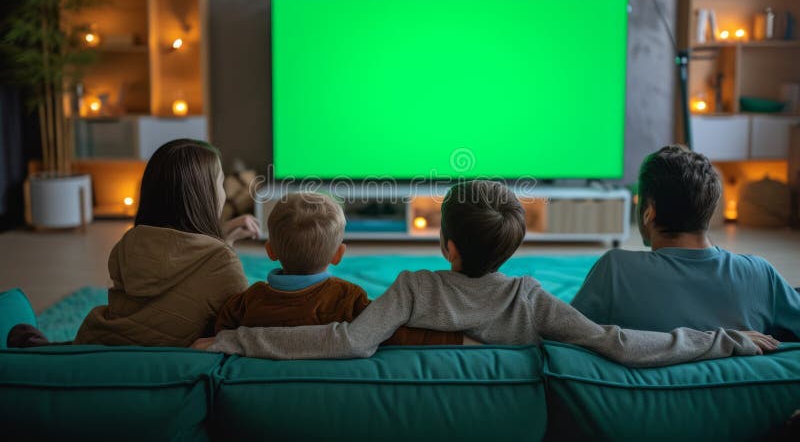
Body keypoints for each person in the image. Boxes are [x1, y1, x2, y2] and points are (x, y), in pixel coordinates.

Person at [194, 180, 778, 367]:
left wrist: (234, 339)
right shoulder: (531, 299)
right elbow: (618, 343)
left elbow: (347, 341)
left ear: (447, 246)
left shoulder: (411, 288)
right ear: (513, 246)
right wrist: (726, 340)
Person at [8, 139, 258, 348]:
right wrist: (223, 247)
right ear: (204, 197)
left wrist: (221, 240)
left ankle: (41, 352)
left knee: (26, 335)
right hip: (142, 366)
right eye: (221, 183)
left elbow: (180, 266)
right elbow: (242, 322)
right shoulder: (222, 262)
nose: (224, 194)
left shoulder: (130, 245)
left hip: (99, 344)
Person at [571, 145, 800, 341]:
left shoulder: (614, 271)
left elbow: (564, 334)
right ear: (708, 210)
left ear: (648, 212)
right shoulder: (759, 275)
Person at [214, 192, 462, 346]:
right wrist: (459, 339)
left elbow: (218, 332)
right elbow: (394, 332)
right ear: (339, 254)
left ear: (270, 251)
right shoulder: (349, 298)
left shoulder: (246, 302)